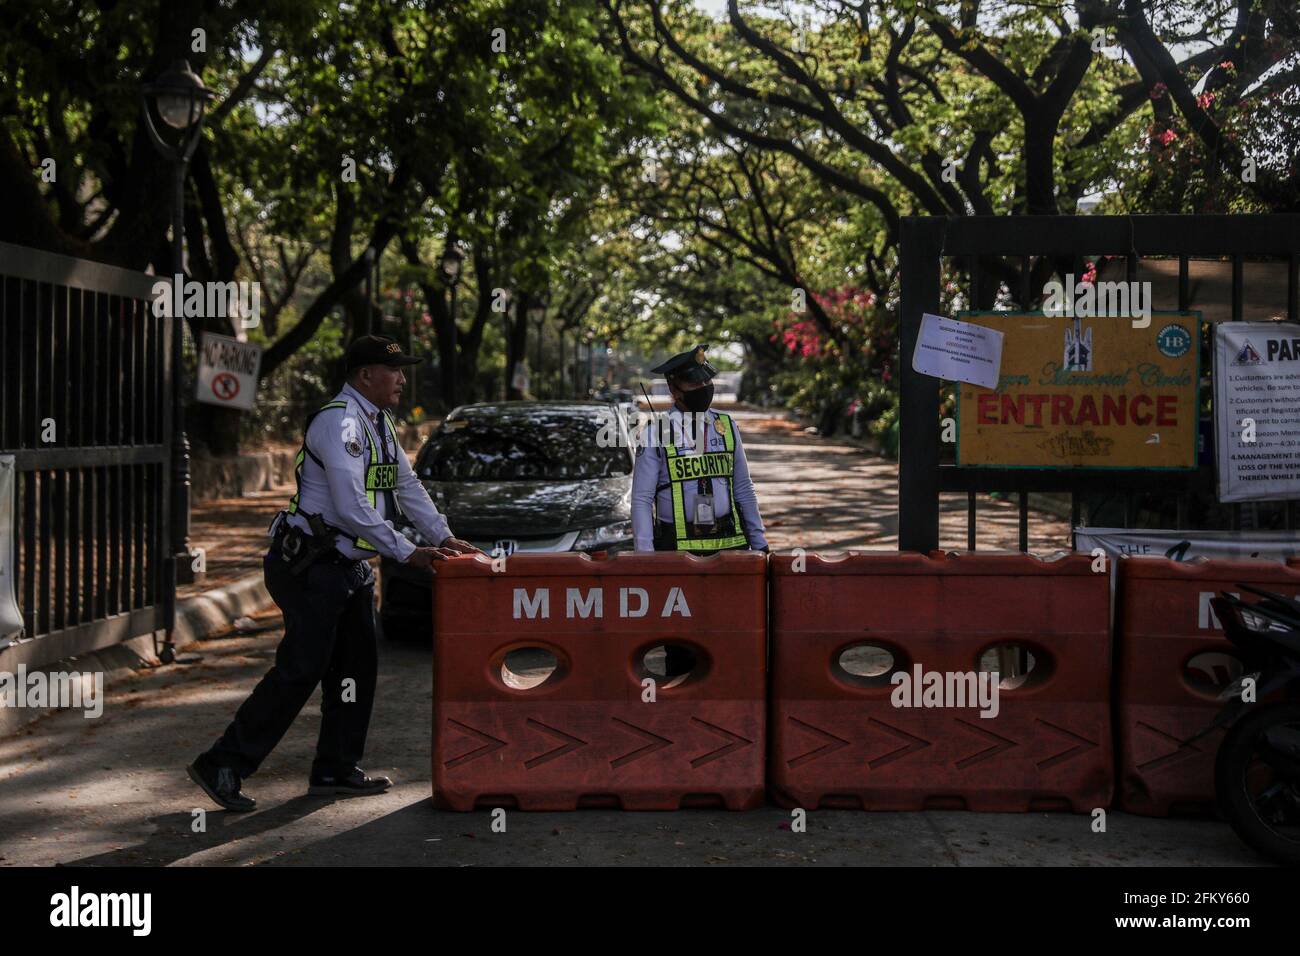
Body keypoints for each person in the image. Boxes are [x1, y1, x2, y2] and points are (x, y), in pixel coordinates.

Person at [188, 334, 481, 812]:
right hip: (310, 566)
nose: (403, 380)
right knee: (302, 668)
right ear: (365, 376)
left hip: (348, 568)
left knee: (356, 670)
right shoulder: (339, 423)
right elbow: (350, 505)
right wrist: (409, 552)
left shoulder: (379, 424)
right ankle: (222, 763)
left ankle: (335, 769)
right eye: (395, 371)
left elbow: (407, 486)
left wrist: (443, 536)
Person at [630, 345, 768, 678]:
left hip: (728, 548)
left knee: (728, 637)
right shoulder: (657, 432)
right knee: (682, 641)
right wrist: (646, 561)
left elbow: (744, 488)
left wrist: (759, 543)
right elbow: (641, 499)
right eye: (694, 385)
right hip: (677, 553)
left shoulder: (725, 426)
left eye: (706, 383)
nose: (704, 390)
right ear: (674, 389)